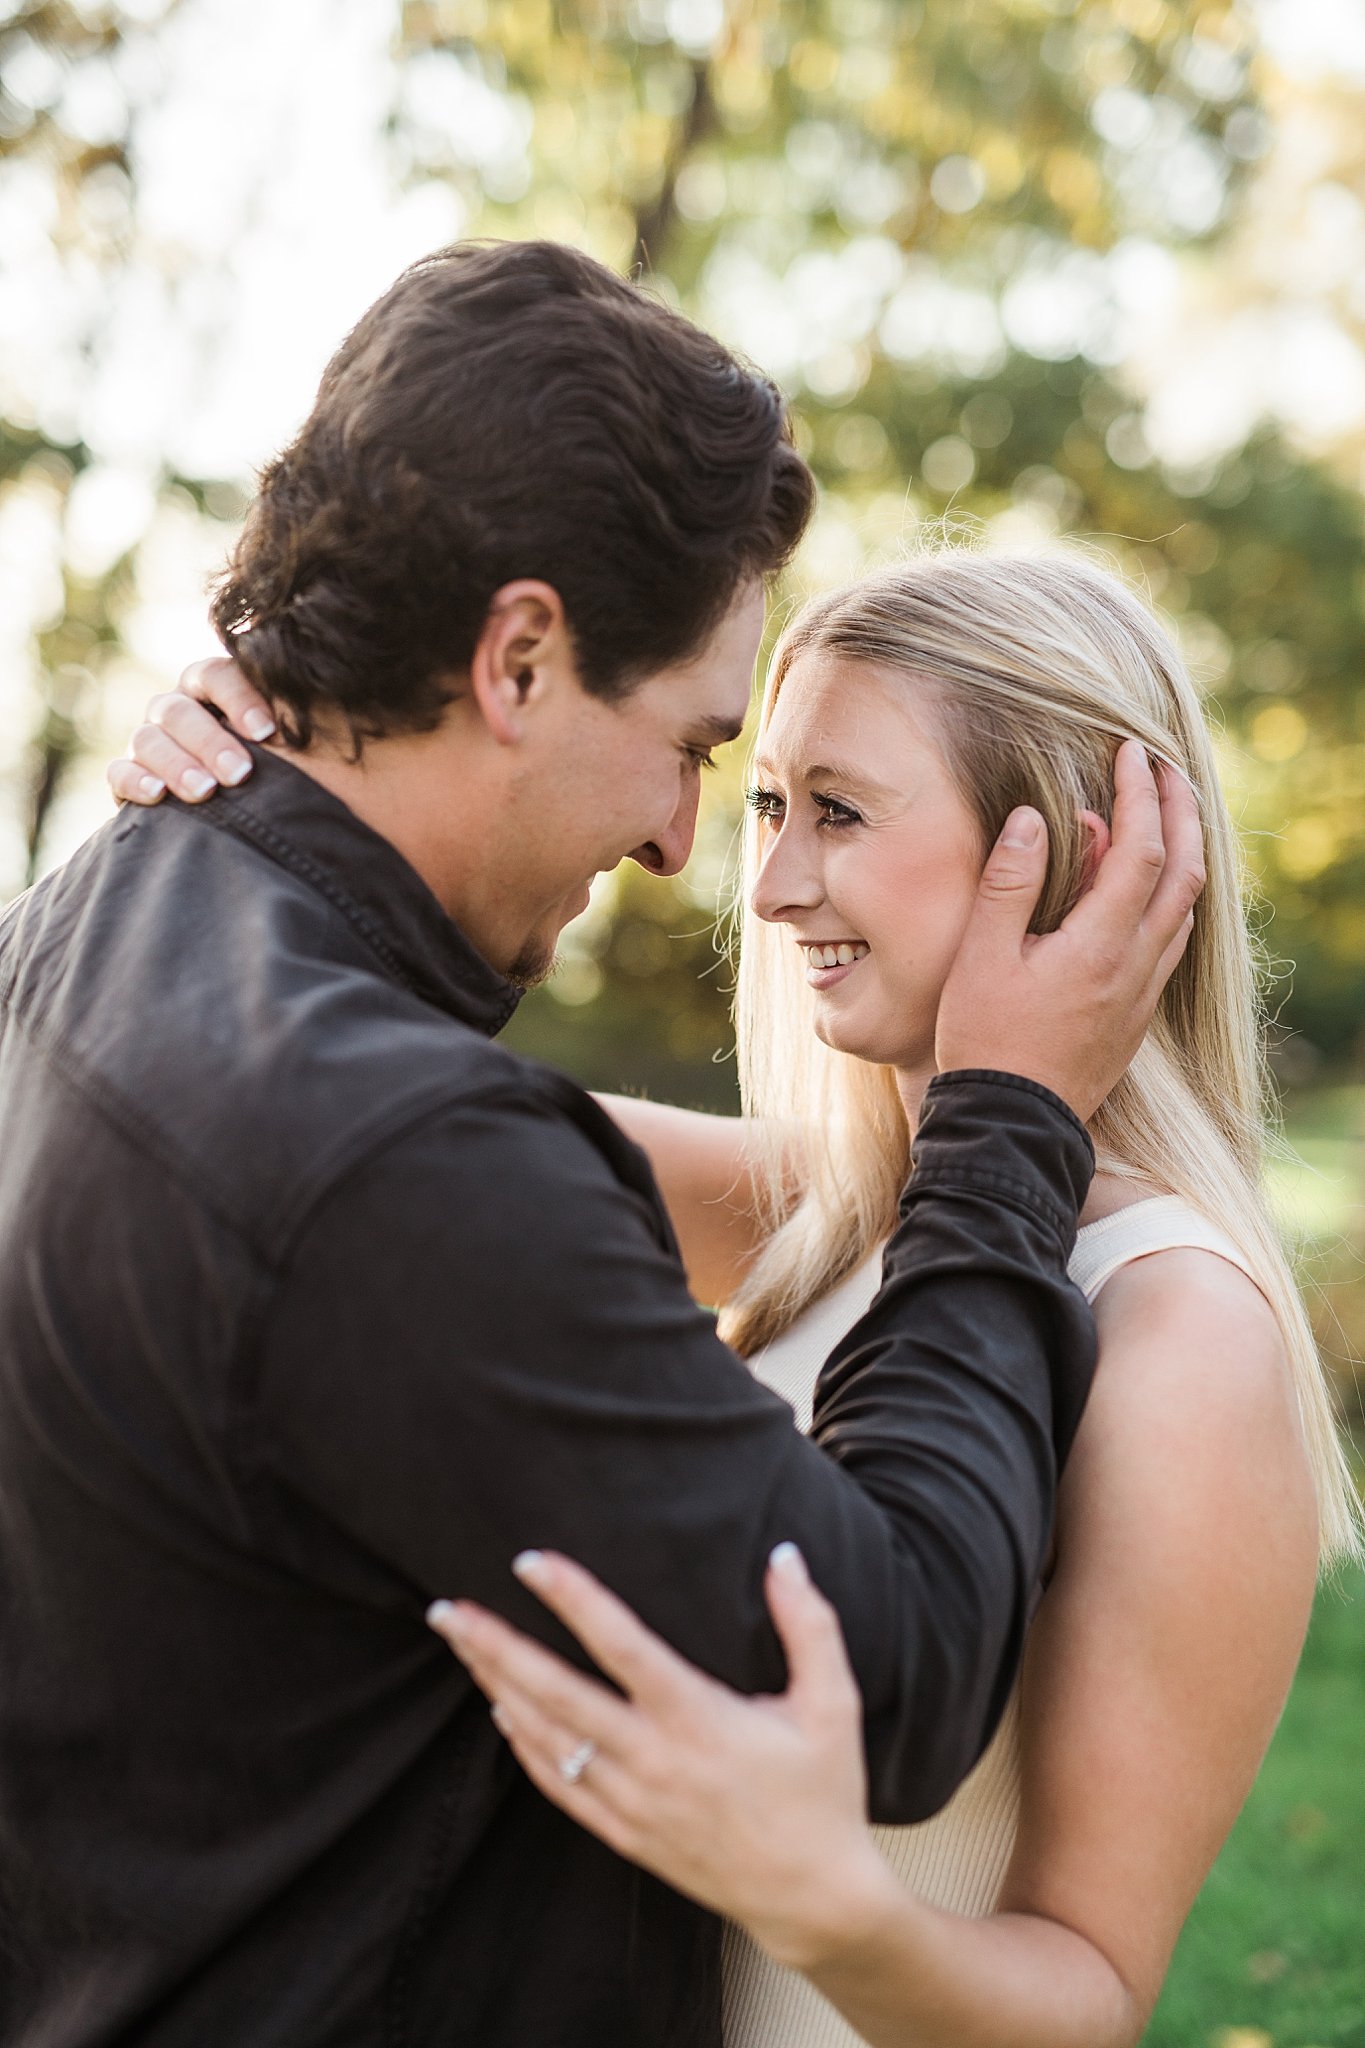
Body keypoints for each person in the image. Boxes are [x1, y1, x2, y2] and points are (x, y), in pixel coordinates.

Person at [25, 241, 1200, 2048]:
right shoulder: (385, 1153)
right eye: (695, 750)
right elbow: (878, 1680)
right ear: (515, 655)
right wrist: (1008, 1130)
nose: (684, 843)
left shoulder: (97, 913)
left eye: (824, 804)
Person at [122, 548, 1359, 2048]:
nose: (768, 883)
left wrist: (822, 1907)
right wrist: (248, 790)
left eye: (836, 810)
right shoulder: (821, 1210)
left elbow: (1085, 1996)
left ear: (1077, 852)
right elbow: (349, 1122)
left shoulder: (1179, 1333)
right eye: (769, 802)